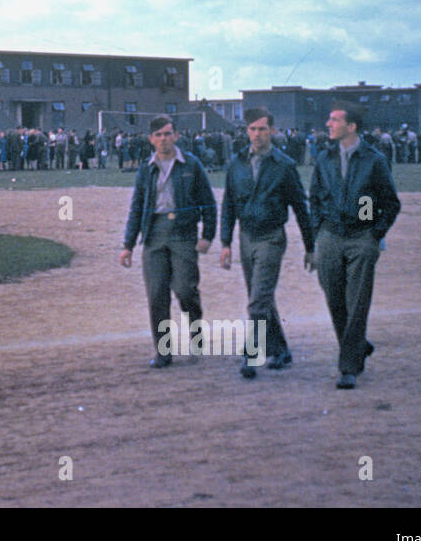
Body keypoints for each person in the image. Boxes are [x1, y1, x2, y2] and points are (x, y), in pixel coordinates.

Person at [309, 101, 401, 389]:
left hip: (362, 237)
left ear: (352, 126)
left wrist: (374, 234)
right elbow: (314, 198)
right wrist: (319, 230)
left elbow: (390, 202)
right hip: (330, 237)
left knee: (357, 302)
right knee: (334, 298)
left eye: (335, 120)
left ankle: (348, 366)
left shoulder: (373, 160)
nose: (328, 124)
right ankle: (357, 345)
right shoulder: (324, 158)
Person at [219, 108, 315, 379]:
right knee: (260, 297)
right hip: (245, 238)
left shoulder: (283, 165)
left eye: (262, 129)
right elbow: (228, 204)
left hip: (271, 238)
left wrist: (311, 247)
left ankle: (252, 353)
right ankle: (281, 350)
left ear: (273, 131)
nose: (257, 134)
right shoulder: (237, 163)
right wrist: (225, 242)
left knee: (258, 300)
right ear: (246, 131)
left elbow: (300, 207)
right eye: (252, 129)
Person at [119, 116, 216, 368]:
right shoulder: (146, 169)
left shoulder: (191, 165)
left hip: (183, 233)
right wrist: (128, 245)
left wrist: (207, 236)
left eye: (168, 134)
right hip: (154, 235)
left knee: (185, 289)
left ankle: (196, 332)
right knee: (157, 295)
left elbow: (208, 202)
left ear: (176, 136)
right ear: (151, 139)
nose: (164, 139)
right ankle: (164, 352)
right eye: (159, 135)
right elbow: (137, 207)